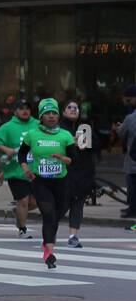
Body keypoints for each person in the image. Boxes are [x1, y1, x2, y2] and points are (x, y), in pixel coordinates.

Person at [17, 99, 77, 270]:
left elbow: (73, 160)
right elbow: (22, 155)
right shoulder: (32, 134)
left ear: (58, 116)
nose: (51, 116)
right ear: (41, 116)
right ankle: (49, 253)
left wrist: (63, 158)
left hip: (61, 181)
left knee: (56, 216)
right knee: (48, 214)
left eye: (54, 113)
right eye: (47, 113)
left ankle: (47, 241)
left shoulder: (65, 135)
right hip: (40, 181)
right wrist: (25, 168)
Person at [0, 98, 41, 238]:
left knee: (35, 202)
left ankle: (18, 212)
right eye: (21, 108)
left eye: (27, 108)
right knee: (23, 200)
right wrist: (6, 149)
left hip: (35, 170)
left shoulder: (38, 124)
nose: (25, 111)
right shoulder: (8, 127)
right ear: (15, 111)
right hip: (16, 171)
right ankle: (22, 229)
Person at [60, 100, 94, 247]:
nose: (73, 110)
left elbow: (94, 147)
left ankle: (73, 236)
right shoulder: (60, 128)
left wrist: (85, 141)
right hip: (65, 173)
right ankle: (48, 230)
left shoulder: (85, 127)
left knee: (78, 205)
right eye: (70, 107)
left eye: (76, 108)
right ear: (64, 112)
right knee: (62, 206)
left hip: (83, 173)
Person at [118, 84, 136, 220]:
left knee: (131, 183)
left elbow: (122, 133)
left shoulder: (131, 118)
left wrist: (119, 127)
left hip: (133, 157)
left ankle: (132, 208)